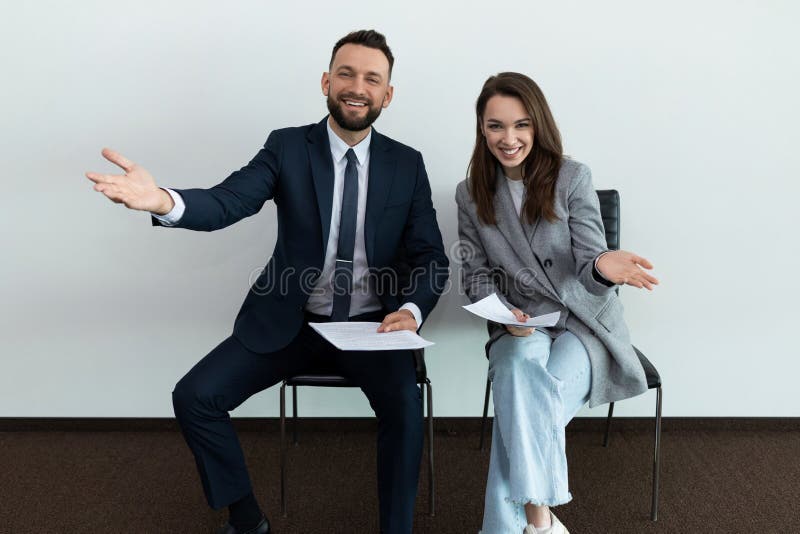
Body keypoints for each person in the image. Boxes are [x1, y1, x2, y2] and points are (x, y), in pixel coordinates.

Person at [86, 30, 449, 534]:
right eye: (346, 73)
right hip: (290, 322)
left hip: (374, 327)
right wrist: (165, 201)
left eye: (372, 79)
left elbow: (432, 256)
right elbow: (229, 200)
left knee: (407, 413)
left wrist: (410, 311)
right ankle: (246, 517)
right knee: (195, 396)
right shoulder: (287, 147)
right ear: (326, 81)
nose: (356, 86)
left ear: (387, 95)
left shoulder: (407, 164)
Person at [455, 72, 658, 534]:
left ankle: (527, 523)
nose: (509, 139)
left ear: (538, 126)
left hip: (582, 325)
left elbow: (590, 260)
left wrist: (605, 265)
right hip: (519, 323)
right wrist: (504, 314)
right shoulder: (470, 195)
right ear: (481, 129)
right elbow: (474, 274)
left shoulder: (572, 177)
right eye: (496, 126)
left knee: (525, 405)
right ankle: (541, 523)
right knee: (517, 373)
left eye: (521, 125)